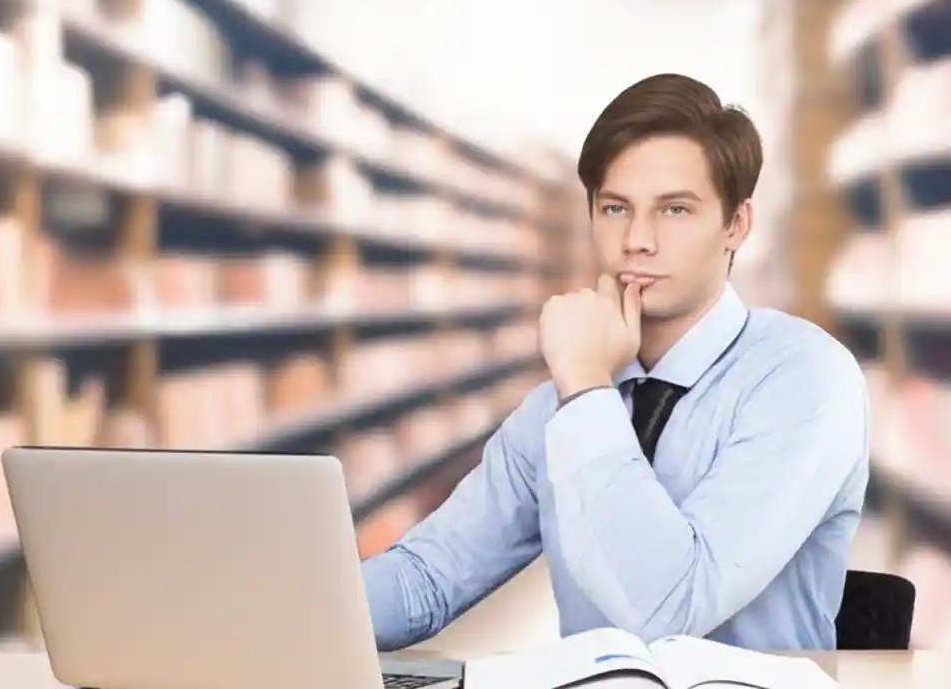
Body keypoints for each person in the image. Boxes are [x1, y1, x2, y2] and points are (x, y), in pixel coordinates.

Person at [361, 73, 869, 653]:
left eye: (675, 210)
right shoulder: (557, 409)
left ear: (736, 224)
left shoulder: (803, 378)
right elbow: (426, 580)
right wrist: (275, 605)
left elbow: (672, 605)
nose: (638, 240)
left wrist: (584, 386)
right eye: (615, 208)